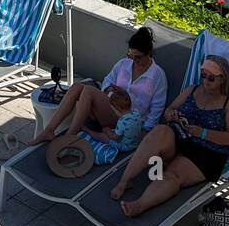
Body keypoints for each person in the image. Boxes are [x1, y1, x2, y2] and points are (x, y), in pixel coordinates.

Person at [110, 54, 229, 218]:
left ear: (222, 79)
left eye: (211, 78)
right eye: (204, 75)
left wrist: (201, 132)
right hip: (180, 138)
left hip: (206, 152)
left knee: (173, 174)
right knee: (159, 131)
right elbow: (169, 110)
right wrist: (171, 114)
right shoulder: (192, 89)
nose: (206, 81)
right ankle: (126, 180)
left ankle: (139, 205)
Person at [30, 26, 167, 144]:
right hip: (111, 110)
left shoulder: (157, 76)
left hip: (129, 122)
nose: (134, 61)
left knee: (88, 91)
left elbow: (157, 108)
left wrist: (145, 132)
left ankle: (69, 136)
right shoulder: (124, 64)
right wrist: (112, 92)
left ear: (148, 53)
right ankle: (49, 130)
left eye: (138, 57)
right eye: (131, 55)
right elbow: (107, 82)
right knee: (77, 87)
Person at [76, 86, 142, 165]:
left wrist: (108, 131)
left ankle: (87, 131)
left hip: (125, 146)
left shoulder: (122, 121)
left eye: (113, 109)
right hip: (135, 143)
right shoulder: (136, 113)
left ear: (118, 109)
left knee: (102, 136)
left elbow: (115, 137)